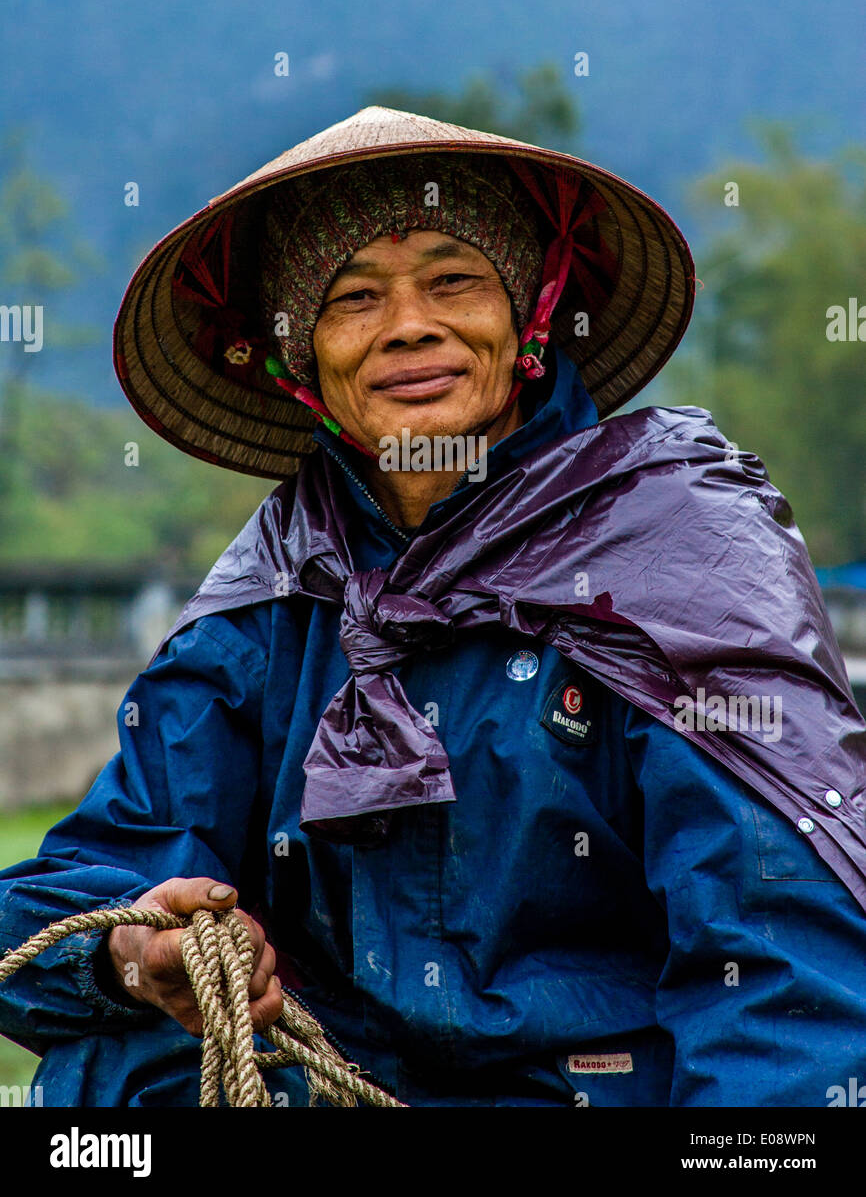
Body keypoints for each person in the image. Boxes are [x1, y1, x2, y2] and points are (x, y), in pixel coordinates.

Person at [2, 105, 866, 1108]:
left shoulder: (683, 560)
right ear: (298, 359)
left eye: (453, 279)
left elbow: (780, 972)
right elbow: (56, 905)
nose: (408, 324)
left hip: (591, 1092)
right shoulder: (279, 592)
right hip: (336, 1084)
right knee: (104, 1077)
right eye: (351, 296)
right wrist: (130, 952)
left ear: (531, 315)